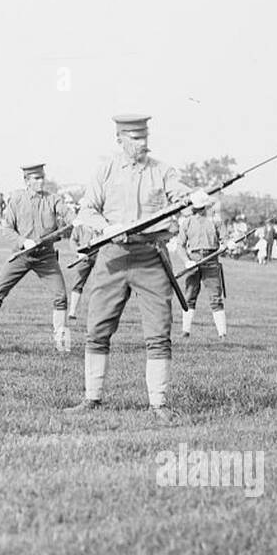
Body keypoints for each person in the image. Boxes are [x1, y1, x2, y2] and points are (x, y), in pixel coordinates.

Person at [65, 115, 205, 419]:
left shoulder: (163, 170)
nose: (143, 143)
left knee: (158, 333)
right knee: (97, 328)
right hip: (112, 257)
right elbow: (87, 210)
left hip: (150, 256)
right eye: (136, 138)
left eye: (145, 137)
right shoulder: (106, 169)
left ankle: (159, 403)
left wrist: (193, 197)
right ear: (120, 140)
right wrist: (108, 228)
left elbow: (180, 194)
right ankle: (92, 398)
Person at [0, 162, 73, 352]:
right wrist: (23, 241)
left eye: (42, 177)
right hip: (21, 255)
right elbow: (7, 229)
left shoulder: (53, 199)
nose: (41, 181)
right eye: (36, 178)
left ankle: (61, 342)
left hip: (46, 257)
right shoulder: (16, 200)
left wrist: (75, 220)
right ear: (26, 181)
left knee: (61, 296)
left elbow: (69, 215)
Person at [176, 195, 227, 338]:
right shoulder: (187, 222)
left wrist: (226, 245)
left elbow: (225, 239)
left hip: (211, 260)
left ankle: (222, 334)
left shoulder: (216, 221)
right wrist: (186, 261)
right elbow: (180, 246)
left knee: (216, 298)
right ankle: (185, 331)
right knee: (189, 297)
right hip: (193, 261)